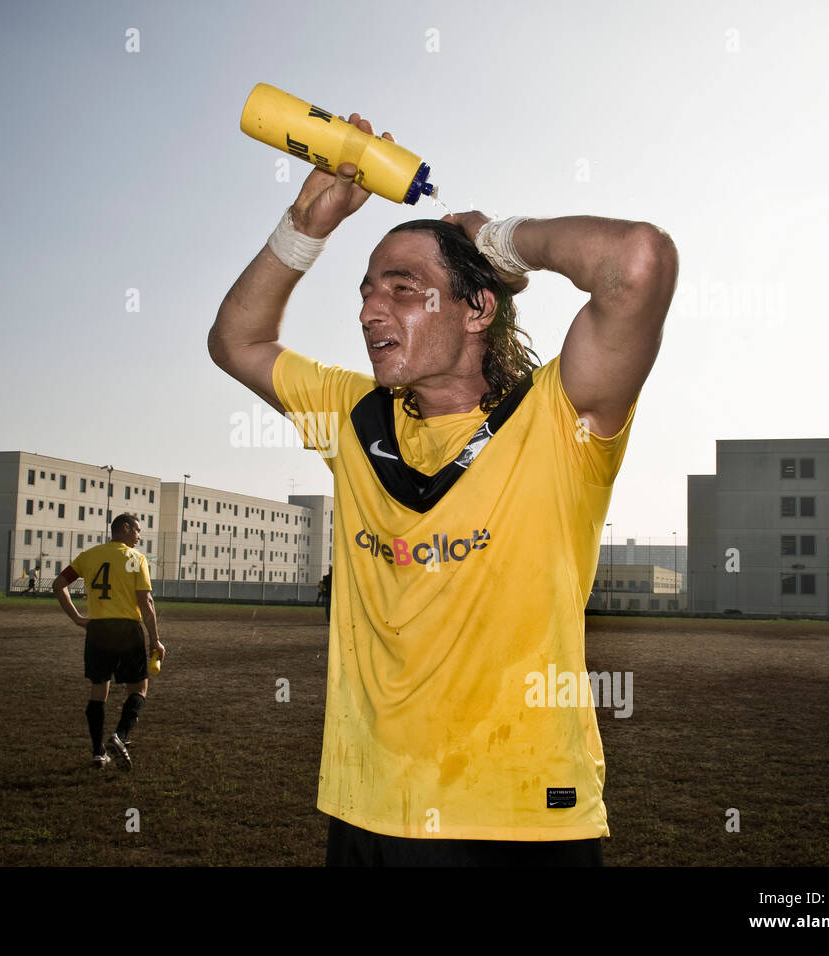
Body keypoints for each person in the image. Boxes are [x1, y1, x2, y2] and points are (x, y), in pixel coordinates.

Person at [209, 111, 677, 866]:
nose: (369, 310)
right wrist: (305, 224)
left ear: (476, 309)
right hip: (369, 812)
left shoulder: (558, 422)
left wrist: (496, 240)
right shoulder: (352, 417)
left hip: (522, 822)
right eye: (367, 291)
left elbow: (639, 261)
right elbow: (237, 341)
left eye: (404, 288)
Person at [52, 513, 165, 771]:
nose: (139, 536)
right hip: (127, 629)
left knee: (98, 690)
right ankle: (120, 736)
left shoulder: (89, 556)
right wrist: (155, 640)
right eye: (137, 530)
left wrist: (78, 619)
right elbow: (146, 602)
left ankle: (97, 752)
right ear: (124, 529)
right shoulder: (136, 559)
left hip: (98, 630)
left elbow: (59, 584)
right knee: (138, 690)